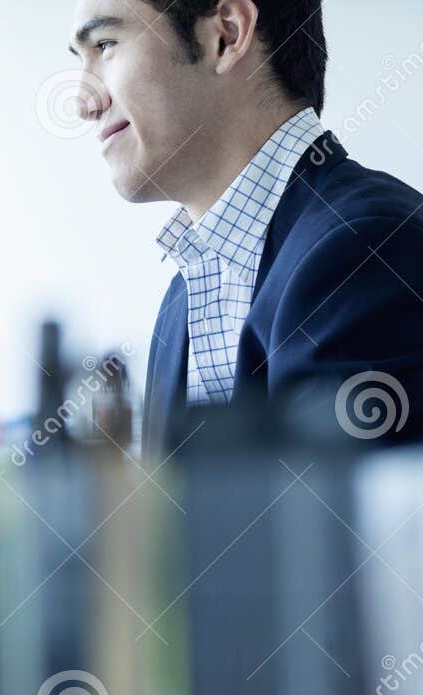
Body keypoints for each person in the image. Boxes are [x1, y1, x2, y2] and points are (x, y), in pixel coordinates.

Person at [67, 0, 423, 456]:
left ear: (226, 35)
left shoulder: (367, 248)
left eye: (106, 44)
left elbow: (326, 521)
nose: (82, 102)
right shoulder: (183, 298)